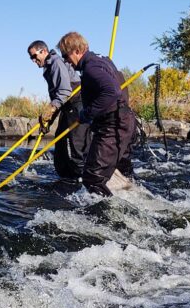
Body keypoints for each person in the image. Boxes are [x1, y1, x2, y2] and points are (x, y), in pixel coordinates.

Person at [57, 31, 136, 196]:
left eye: (66, 55)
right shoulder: (101, 60)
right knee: (111, 172)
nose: (65, 61)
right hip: (119, 122)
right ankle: (128, 198)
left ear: (77, 50)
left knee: (92, 178)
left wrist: (88, 113)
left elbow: (112, 90)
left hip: (114, 124)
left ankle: (111, 216)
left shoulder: (91, 68)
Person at [27, 40, 89, 180]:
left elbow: (65, 92)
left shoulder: (56, 63)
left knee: (74, 147)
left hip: (77, 104)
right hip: (67, 107)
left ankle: (83, 181)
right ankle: (65, 180)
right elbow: (57, 98)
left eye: (34, 56)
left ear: (43, 51)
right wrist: (48, 120)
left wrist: (50, 110)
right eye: (31, 58)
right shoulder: (48, 67)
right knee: (60, 147)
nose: (33, 61)